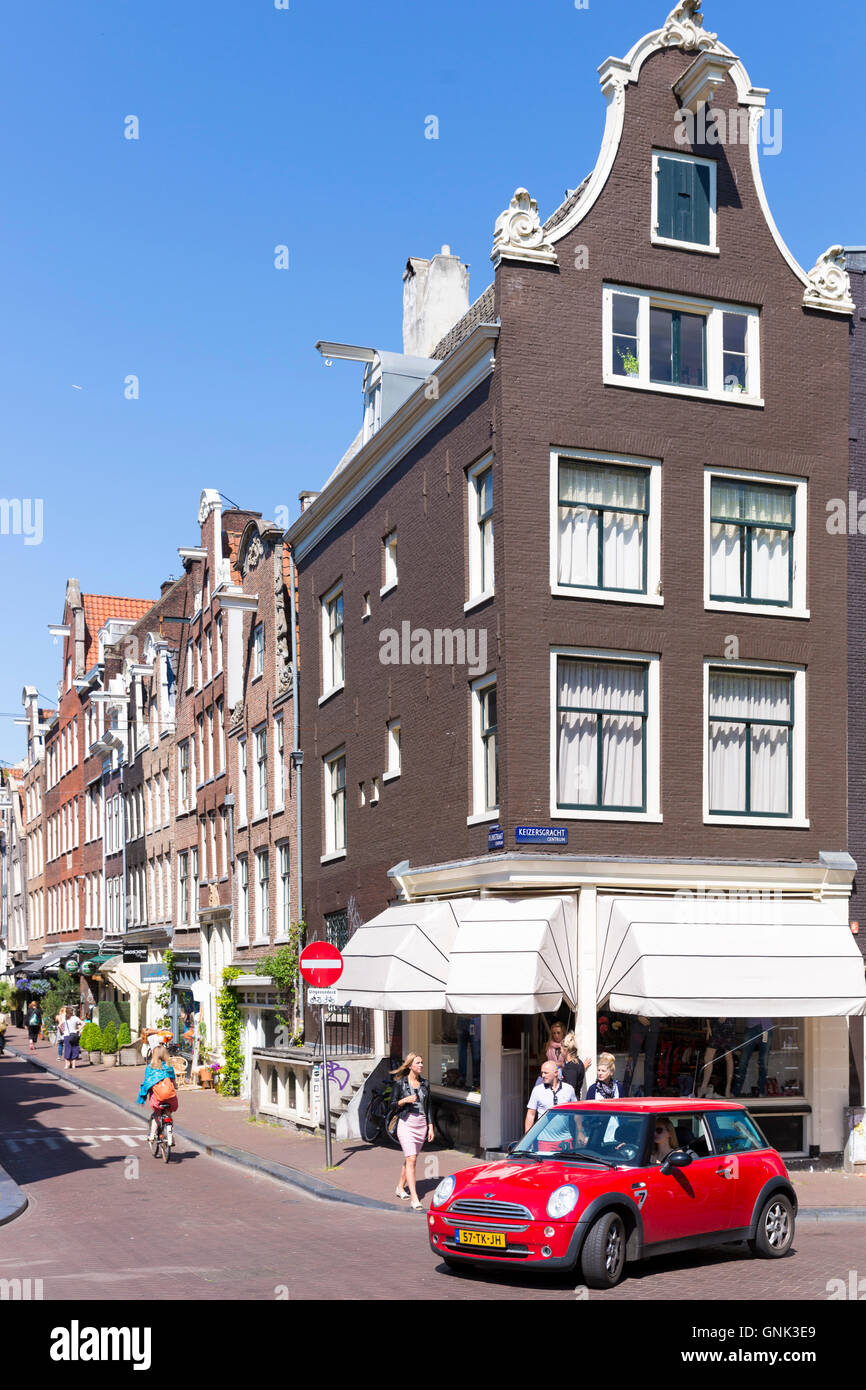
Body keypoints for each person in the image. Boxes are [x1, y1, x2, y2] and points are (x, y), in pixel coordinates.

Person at [389, 1052, 433, 1210]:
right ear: (410, 1066)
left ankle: (400, 1187)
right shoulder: (400, 1084)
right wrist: (405, 1100)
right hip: (406, 1123)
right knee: (412, 1159)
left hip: (421, 1124)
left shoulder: (425, 1084)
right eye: (418, 1063)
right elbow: (392, 1105)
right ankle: (414, 1197)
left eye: (422, 1062)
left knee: (410, 1159)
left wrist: (431, 1126)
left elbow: (429, 1106)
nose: (421, 1065)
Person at [137, 1044, 179, 1140]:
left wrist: (143, 1094)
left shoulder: (150, 1068)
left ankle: (152, 1135)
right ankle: (170, 1134)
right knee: (168, 1114)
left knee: (157, 1114)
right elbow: (173, 1082)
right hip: (170, 1099)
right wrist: (175, 1086)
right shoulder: (169, 1067)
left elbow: (147, 1082)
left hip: (157, 1099)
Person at [525, 1060, 578, 1133]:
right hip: (543, 1138)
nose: (543, 1075)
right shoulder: (537, 1090)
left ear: (556, 1073)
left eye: (546, 1073)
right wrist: (528, 1139)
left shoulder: (569, 1089)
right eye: (542, 1073)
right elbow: (530, 1115)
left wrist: (580, 1132)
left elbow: (576, 1114)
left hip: (565, 1137)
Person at [732, 1018, 773, 1097]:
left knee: (764, 1062)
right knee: (743, 1060)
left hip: (766, 1029)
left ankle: (762, 1091)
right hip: (751, 1028)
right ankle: (736, 1091)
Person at [699, 1017, 736, 1098]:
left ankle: (727, 1089)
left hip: (727, 1021)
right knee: (708, 1058)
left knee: (728, 1057)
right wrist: (708, 1026)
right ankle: (703, 1087)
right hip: (716, 1021)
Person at [63, 1005, 83, 1071]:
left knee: (67, 1049)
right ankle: (74, 1065)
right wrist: (78, 1030)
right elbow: (83, 1023)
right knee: (75, 1049)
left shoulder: (64, 1018)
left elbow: (59, 1025)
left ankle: (67, 1064)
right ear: (72, 1012)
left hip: (66, 1035)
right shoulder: (75, 1018)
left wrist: (63, 1030)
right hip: (74, 1035)